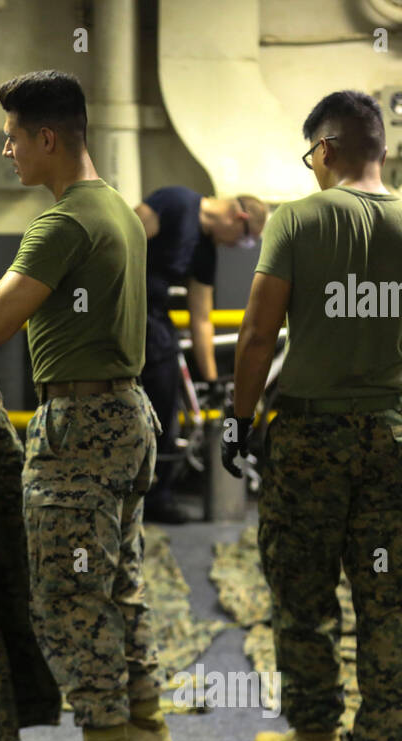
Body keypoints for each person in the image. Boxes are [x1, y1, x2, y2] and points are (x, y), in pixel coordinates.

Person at [222, 89, 402, 741]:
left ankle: (317, 740)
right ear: (380, 149)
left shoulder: (297, 219)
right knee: (390, 598)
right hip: (395, 436)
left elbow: (259, 336)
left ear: (324, 150)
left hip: (310, 439)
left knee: (304, 591)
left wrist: (238, 421)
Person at [0, 70, 171, 741]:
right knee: (119, 584)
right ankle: (146, 735)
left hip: (81, 427)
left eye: (13, 138)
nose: (9, 151)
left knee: (69, 593)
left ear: (47, 138)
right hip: (125, 415)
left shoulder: (62, 223)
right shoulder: (113, 207)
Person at [134, 187, 266, 523]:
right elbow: (122, 238)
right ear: (239, 218)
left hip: (154, 320)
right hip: (120, 309)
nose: (237, 247)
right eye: (244, 240)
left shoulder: (206, 252)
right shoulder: (176, 203)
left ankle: (156, 499)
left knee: (166, 402)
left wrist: (210, 380)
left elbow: (201, 317)